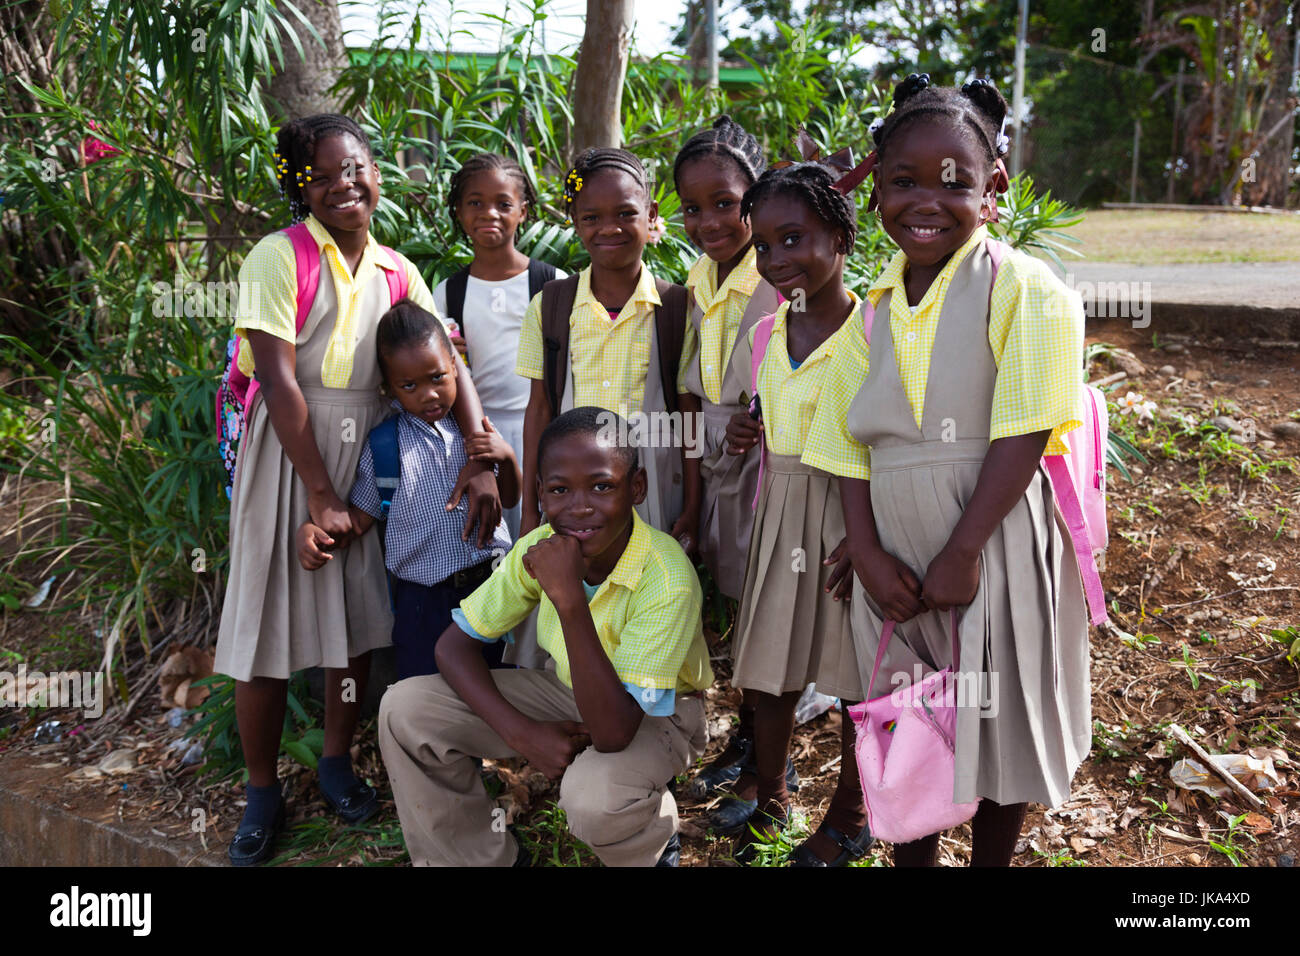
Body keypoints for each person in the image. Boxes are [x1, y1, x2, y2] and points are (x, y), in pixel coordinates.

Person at [801, 75, 1091, 867]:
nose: (926, 200)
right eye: (903, 182)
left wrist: (963, 552)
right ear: (878, 192)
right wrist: (863, 550)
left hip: (988, 545)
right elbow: (842, 448)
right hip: (892, 555)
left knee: (999, 720)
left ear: (992, 186)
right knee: (907, 715)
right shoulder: (870, 314)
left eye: (953, 181)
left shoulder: (1024, 290)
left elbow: (1027, 429)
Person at [214, 114, 501, 867]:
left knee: (349, 626)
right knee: (265, 633)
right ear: (299, 187)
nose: (344, 184)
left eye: (356, 168)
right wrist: (316, 492)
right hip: (291, 455)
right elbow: (276, 378)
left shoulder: (397, 270)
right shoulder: (279, 257)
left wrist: (478, 457)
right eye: (322, 174)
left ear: (377, 173)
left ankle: (335, 761)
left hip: (373, 458)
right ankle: (260, 791)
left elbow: (450, 366)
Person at [377, 407, 713, 867]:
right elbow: (452, 649)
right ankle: (479, 858)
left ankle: (652, 840)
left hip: (659, 712)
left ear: (636, 488)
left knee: (594, 798)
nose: (579, 507)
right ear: (540, 494)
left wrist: (569, 598)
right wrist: (523, 734)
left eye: (601, 486)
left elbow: (615, 732)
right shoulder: (539, 548)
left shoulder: (667, 576)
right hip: (571, 691)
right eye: (559, 490)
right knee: (405, 709)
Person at [720, 161, 870, 866]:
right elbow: (766, 409)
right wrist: (748, 432)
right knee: (770, 668)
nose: (778, 260)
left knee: (855, 679)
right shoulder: (767, 334)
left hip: (852, 519)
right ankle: (773, 794)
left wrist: (869, 539)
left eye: (795, 239)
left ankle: (853, 812)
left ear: (840, 236)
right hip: (781, 513)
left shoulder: (876, 331)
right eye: (764, 247)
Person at [295, 299, 518, 681]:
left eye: (437, 378)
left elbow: (509, 499)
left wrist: (508, 458)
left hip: (492, 588)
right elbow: (360, 518)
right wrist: (311, 533)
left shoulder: (477, 433)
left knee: (500, 684)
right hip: (423, 601)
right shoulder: (384, 447)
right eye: (409, 385)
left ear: (454, 366)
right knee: (426, 692)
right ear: (388, 388)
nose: (428, 394)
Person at [672, 117, 782, 805]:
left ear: (756, 198)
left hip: (761, 457)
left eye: (726, 203)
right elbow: (689, 389)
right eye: (693, 207)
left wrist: (762, 417)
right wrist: (690, 495)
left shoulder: (775, 269)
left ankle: (767, 754)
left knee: (762, 606)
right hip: (714, 452)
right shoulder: (698, 276)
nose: (710, 220)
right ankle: (749, 736)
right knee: (736, 599)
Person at [515, 148, 699, 544]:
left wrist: (693, 504)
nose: (609, 228)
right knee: (575, 590)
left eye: (625, 214)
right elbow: (540, 409)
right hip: (573, 487)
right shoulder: (550, 306)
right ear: (575, 224)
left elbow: (688, 412)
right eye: (591, 218)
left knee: (646, 592)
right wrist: (531, 508)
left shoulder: (676, 309)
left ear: (651, 216)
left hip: (650, 486)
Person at [433, 152, 564, 539]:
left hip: (545, 432)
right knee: (489, 537)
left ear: (522, 212)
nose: (489, 213)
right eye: (475, 203)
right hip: (479, 436)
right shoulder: (449, 292)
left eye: (503, 204)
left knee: (543, 534)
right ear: (458, 211)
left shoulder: (552, 283)